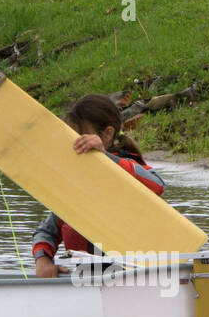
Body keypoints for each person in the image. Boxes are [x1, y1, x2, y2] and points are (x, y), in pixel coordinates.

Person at [31, 94, 165, 278]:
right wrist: (43, 260)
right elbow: (46, 231)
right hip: (85, 283)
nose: (75, 147)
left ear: (108, 134)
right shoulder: (75, 186)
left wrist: (104, 157)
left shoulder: (126, 167)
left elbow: (158, 185)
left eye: (81, 139)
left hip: (132, 281)